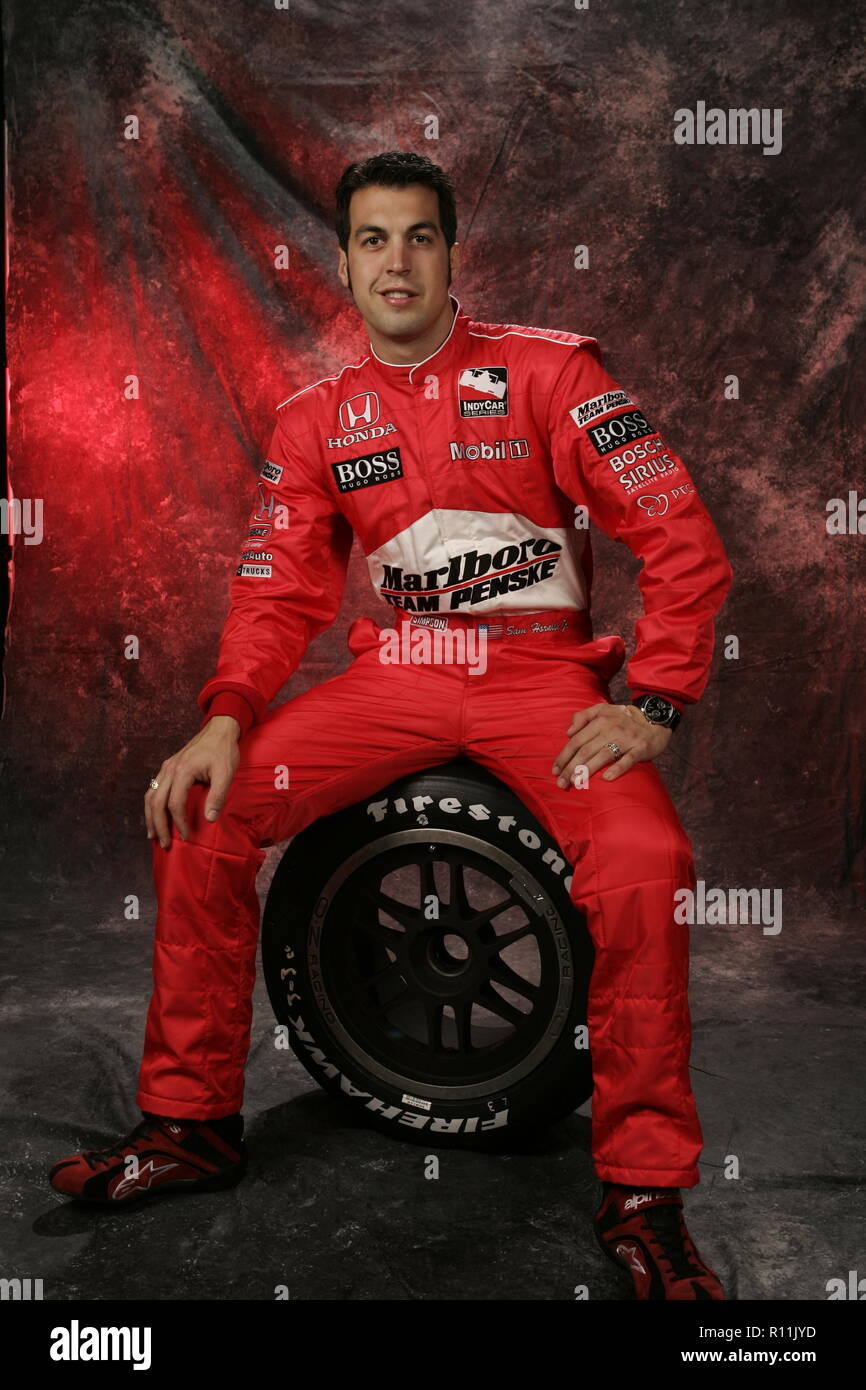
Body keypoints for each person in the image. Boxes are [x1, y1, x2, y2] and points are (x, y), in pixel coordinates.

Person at [49, 151, 732, 1301]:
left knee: (643, 860)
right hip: (402, 672)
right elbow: (276, 594)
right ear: (344, 263)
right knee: (200, 810)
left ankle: (642, 1196)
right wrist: (223, 716)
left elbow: (679, 537)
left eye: (419, 236)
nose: (397, 260)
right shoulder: (316, 419)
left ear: (452, 253)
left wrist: (654, 700)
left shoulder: (549, 374)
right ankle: (189, 1123)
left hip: (541, 677)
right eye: (374, 240)